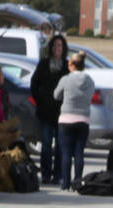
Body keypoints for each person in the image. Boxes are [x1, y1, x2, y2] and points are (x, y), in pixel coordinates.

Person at [30, 32, 68, 185]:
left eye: (60, 45)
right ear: (51, 47)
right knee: (46, 145)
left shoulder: (66, 66)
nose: (57, 48)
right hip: (45, 111)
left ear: (63, 48)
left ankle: (57, 174)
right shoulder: (43, 64)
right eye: (55, 45)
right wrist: (39, 100)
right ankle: (45, 174)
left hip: (62, 112)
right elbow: (34, 83)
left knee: (60, 145)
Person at [53, 52, 94, 191]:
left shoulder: (66, 79)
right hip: (83, 119)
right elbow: (91, 96)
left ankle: (65, 183)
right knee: (79, 152)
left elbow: (56, 95)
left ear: (72, 65)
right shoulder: (89, 80)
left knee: (66, 153)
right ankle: (77, 182)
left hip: (66, 119)